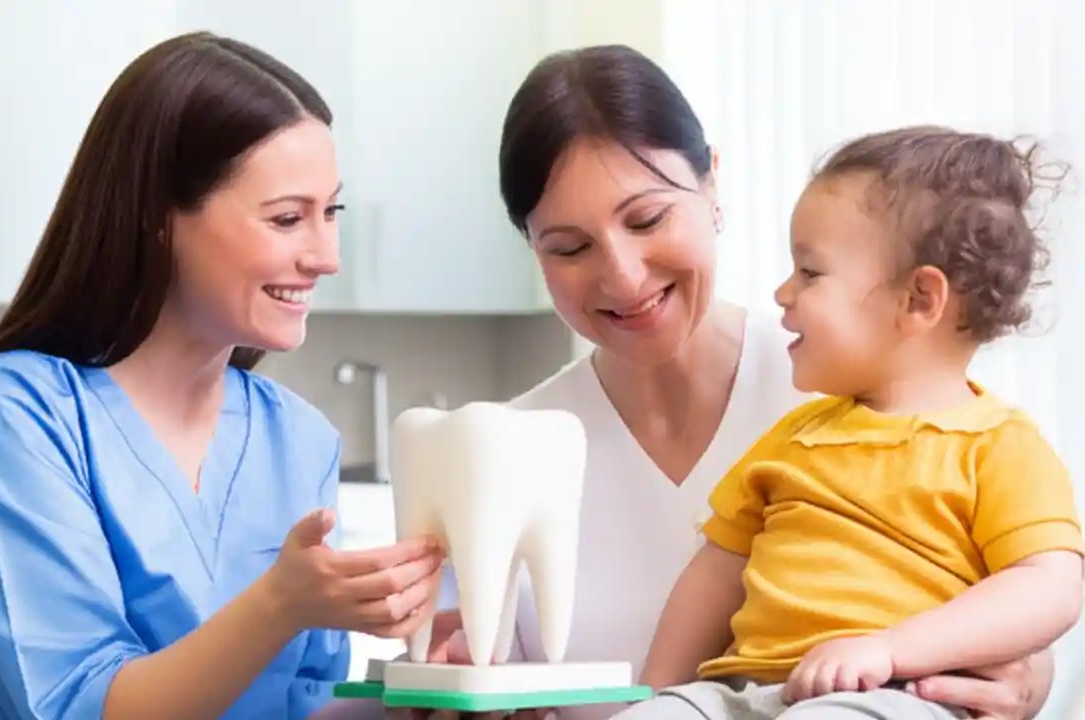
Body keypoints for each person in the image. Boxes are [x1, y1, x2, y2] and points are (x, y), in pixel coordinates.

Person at [400, 46, 1064, 720]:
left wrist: (1027, 673)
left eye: (647, 218)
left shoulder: (864, 384)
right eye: (569, 248)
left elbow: (1031, 586)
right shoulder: (508, 453)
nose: (624, 277)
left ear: (712, 185)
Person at [0, 32, 443, 720]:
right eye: (286, 218)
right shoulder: (12, 417)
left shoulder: (297, 438)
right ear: (158, 216)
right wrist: (279, 604)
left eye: (330, 212)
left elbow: (300, 707)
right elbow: (77, 707)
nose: (326, 256)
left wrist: (421, 696)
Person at [619, 126, 1084, 719]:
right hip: (743, 695)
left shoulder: (1000, 447)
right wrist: (657, 695)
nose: (783, 293)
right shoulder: (795, 438)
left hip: (895, 696)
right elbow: (714, 574)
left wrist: (892, 649)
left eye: (810, 273)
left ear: (918, 300)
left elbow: (1051, 586)